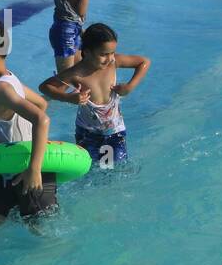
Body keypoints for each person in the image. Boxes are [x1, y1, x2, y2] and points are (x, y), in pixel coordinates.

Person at [0, 15, 56, 229]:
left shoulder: (1, 89)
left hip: (29, 177)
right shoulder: (9, 79)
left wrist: (34, 169)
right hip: (10, 174)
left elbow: (41, 118)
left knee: (46, 243)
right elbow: (42, 104)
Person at [40, 22, 150, 166]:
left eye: (111, 53)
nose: (110, 58)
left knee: (111, 169)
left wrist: (129, 87)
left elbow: (144, 62)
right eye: (103, 54)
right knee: (90, 169)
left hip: (114, 132)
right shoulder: (76, 73)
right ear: (87, 51)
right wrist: (68, 98)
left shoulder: (113, 63)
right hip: (87, 133)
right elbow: (45, 87)